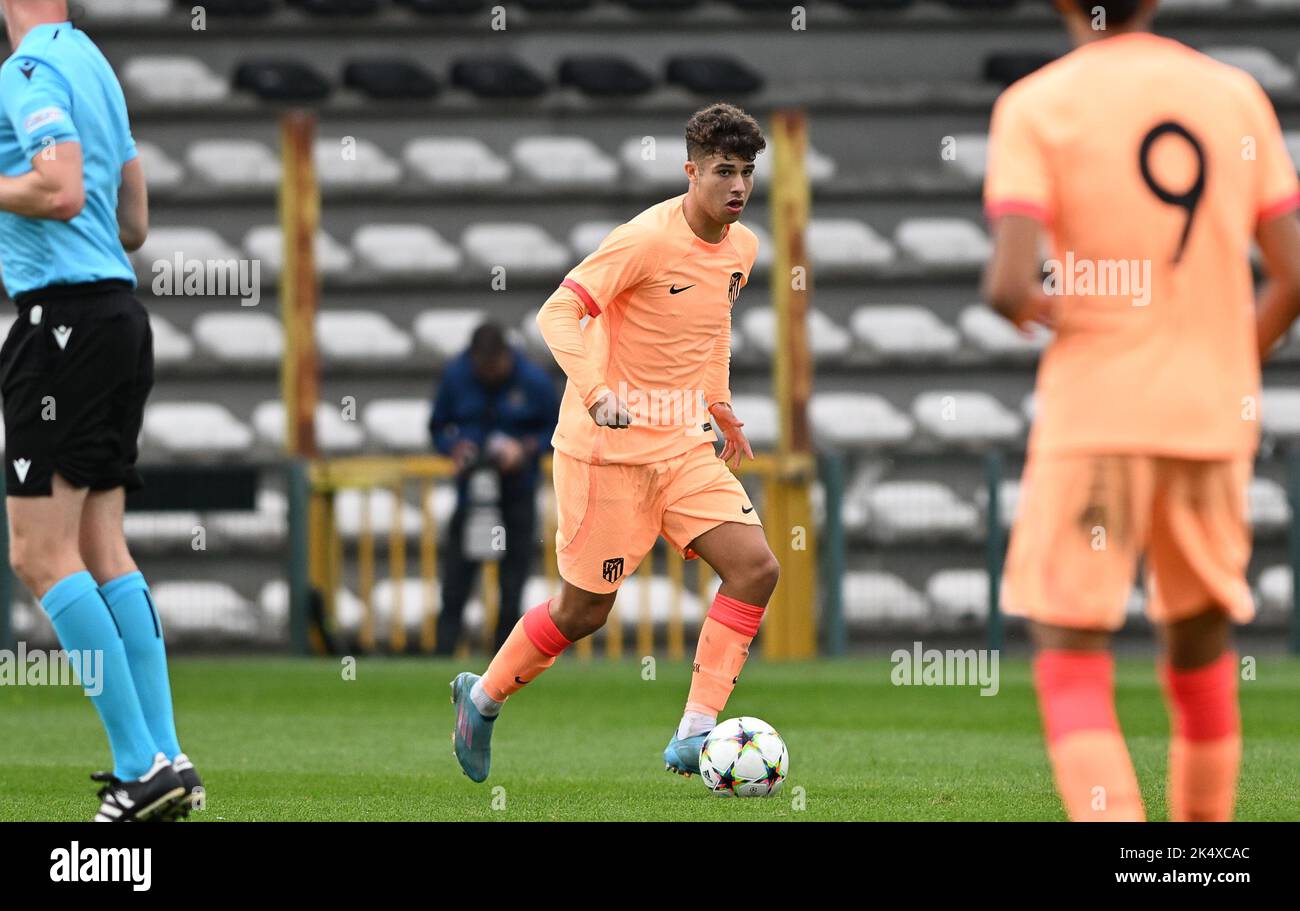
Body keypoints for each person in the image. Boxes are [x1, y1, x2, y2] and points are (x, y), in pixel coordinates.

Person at [982, 0, 1300, 820]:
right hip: (1208, 415)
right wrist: (1227, 360)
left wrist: (1045, 310)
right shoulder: (1235, 95)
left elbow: (1008, 284)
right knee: (1199, 643)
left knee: (1071, 646)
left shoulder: (1037, 103)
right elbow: (1294, 272)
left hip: (1095, 414)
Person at [449, 102, 779, 783]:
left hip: (683, 445)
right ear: (691, 170)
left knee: (756, 567)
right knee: (584, 610)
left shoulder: (742, 248)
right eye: (723, 171)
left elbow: (712, 327)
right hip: (605, 451)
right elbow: (557, 310)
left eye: (747, 171)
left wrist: (719, 403)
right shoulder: (644, 239)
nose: (738, 186)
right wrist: (598, 390)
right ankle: (481, 698)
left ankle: (694, 732)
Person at [0, 0, 203, 820]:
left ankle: (137, 765)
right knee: (100, 543)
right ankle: (167, 756)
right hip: (120, 318)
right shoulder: (95, 65)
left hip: (62, 328)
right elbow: (135, 220)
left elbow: (58, 187)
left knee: (36, 554)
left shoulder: (28, 72)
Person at [429, 322, 559, 654]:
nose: (488, 373)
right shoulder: (457, 376)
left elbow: (558, 427)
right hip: (472, 493)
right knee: (457, 577)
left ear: (506, 356)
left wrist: (525, 448)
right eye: (481, 367)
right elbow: (437, 426)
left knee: (512, 579)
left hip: (516, 491)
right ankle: (444, 652)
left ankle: (504, 658)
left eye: (493, 366)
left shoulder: (533, 380)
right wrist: (455, 448)